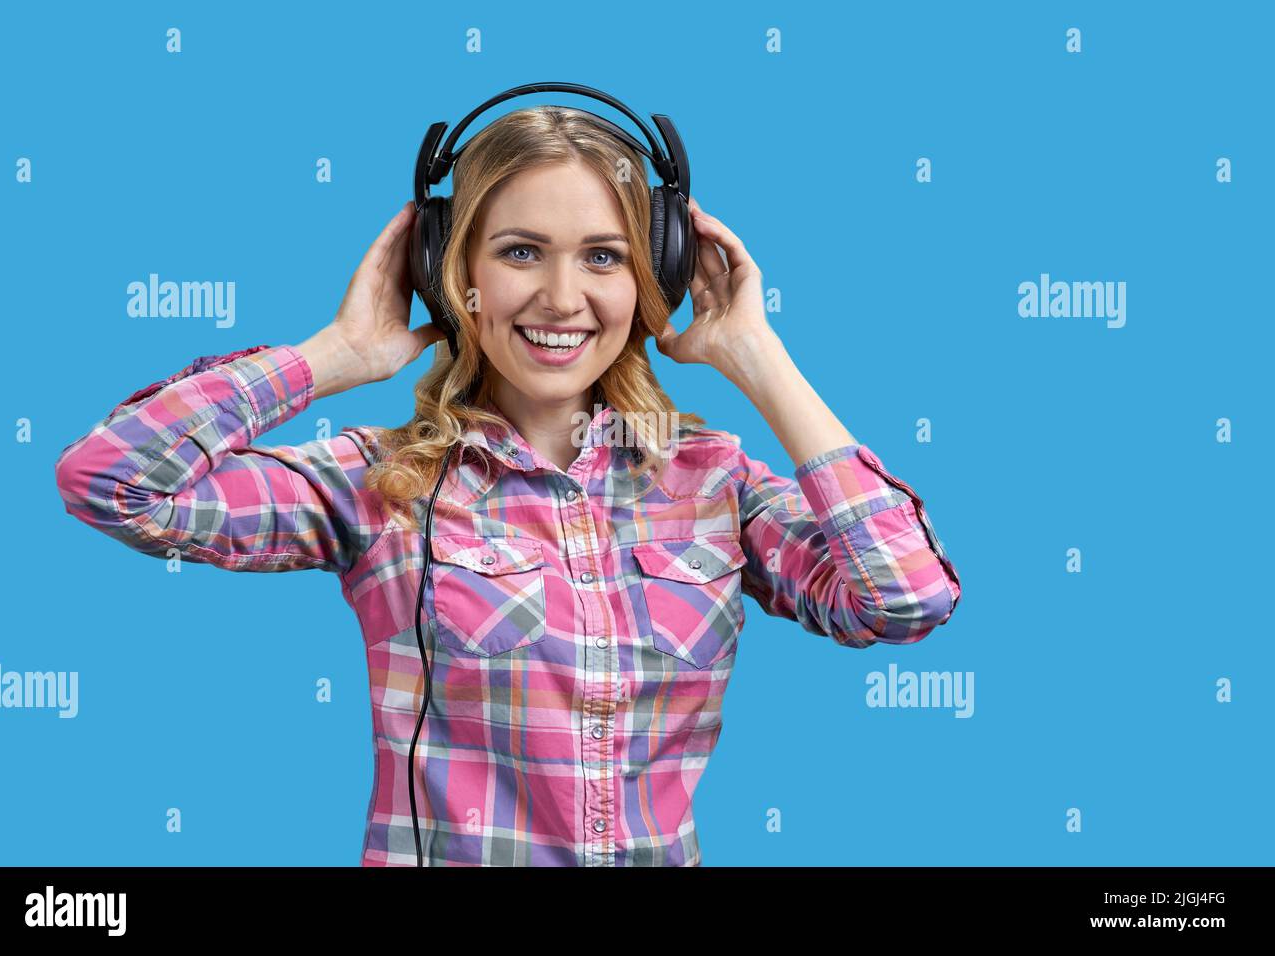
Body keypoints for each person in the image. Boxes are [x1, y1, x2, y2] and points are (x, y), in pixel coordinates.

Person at [55, 106, 962, 867]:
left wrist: (759, 361)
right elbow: (112, 481)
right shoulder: (378, 484)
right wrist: (333, 358)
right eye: (522, 252)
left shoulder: (712, 479)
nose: (564, 297)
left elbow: (905, 600)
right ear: (455, 273)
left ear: (658, 274)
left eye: (605, 257)